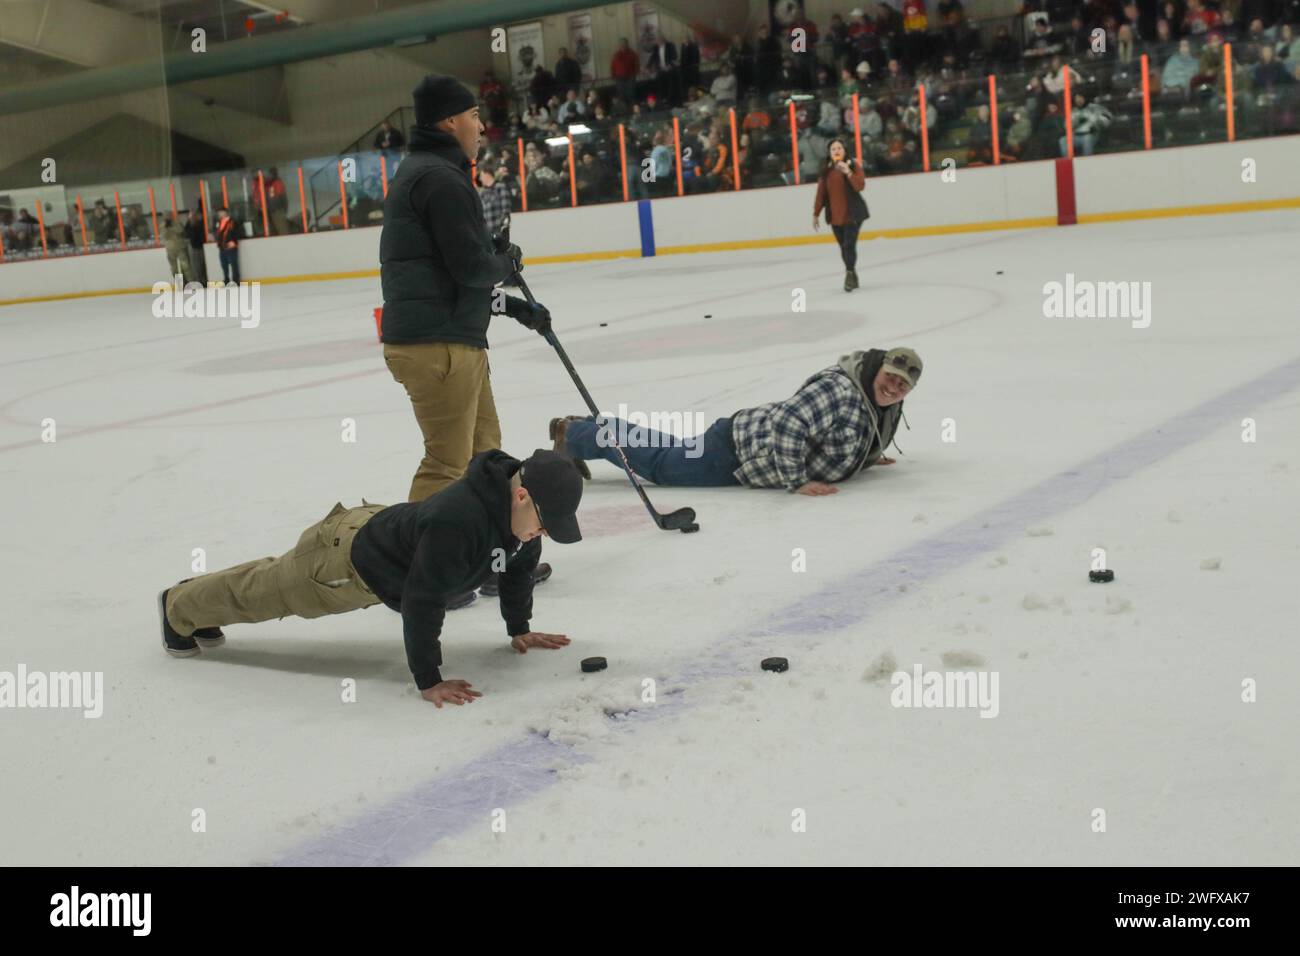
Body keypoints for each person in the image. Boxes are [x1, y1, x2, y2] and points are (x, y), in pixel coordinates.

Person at [157, 450, 583, 708]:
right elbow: (423, 599)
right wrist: (429, 680)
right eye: (544, 524)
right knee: (264, 592)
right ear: (522, 495)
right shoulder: (458, 521)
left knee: (267, 577)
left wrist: (520, 629)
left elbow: (518, 568)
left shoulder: (519, 518)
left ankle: (192, 597)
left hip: (387, 534)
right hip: (345, 565)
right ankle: (179, 606)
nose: (541, 534)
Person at [379, 74, 554, 602]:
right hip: (439, 348)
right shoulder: (440, 179)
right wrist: (508, 261)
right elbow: (472, 269)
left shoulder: (434, 174)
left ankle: (488, 559)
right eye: (475, 116)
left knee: (487, 460)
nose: (482, 126)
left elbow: (452, 279)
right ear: (451, 120)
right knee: (448, 464)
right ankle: (416, 574)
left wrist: (516, 307)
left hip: (453, 340)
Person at [548, 348, 921, 494]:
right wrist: (799, 481)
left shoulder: (880, 401)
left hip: (740, 441)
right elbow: (790, 424)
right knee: (662, 466)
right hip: (737, 451)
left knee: (669, 449)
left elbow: (860, 431)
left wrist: (867, 455)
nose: (893, 386)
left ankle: (587, 428)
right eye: (890, 376)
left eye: (902, 385)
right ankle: (576, 435)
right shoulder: (840, 391)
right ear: (878, 369)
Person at [812, 138, 869, 291]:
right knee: (844, 247)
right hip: (835, 216)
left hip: (853, 214)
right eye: (833, 149)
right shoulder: (826, 170)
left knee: (849, 245)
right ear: (829, 153)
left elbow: (860, 186)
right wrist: (816, 213)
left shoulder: (853, 165)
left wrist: (848, 172)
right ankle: (852, 272)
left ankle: (849, 275)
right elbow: (821, 193)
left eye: (839, 148)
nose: (836, 151)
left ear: (845, 151)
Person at [161, 213, 191, 284]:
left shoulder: (177, 223)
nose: (167, 218)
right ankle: (180, 283)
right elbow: (164, 235)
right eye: (166, 217)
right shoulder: (162, 226)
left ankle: (189, 282)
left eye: (169, 216)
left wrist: (172, 227)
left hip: (180, 247)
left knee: (185, 266)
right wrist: (166, 227)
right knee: (174, 269)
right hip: (170, 249)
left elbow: (180, 231)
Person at [611, 38, 640, 107]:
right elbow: (613, 66)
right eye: (621, 44)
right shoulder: (616, 55)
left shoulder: (632, 54)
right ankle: (624, 111)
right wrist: (613, 75)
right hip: (619, 78)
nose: (622, 45)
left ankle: (633, 109)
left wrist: (635, 73)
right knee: (621, 95)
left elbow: (637, 64)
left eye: (624, 43)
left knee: (631, 94)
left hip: (630, 77)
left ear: (627, 44)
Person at [214, 206, 240, 284]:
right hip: (222, 247)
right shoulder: (218, 222)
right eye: (218, 212)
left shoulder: (232, 222)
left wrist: (234, 242)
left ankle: (236, 280)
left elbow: (237, 232)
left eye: (220, 212)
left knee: (233, 264)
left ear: (225, 212)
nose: (219, 214)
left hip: (230, 247)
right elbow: (218, 233)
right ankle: (226, 279)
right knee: (224, 264)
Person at [183, 208, 208, 285]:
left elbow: (201, 235)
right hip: (194, 247)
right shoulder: (189, 224)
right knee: (196, 266)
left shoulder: (200, 223)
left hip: (200, 246)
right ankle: (199, 281)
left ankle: (203, 280)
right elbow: (187, 234)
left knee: (201, 265)